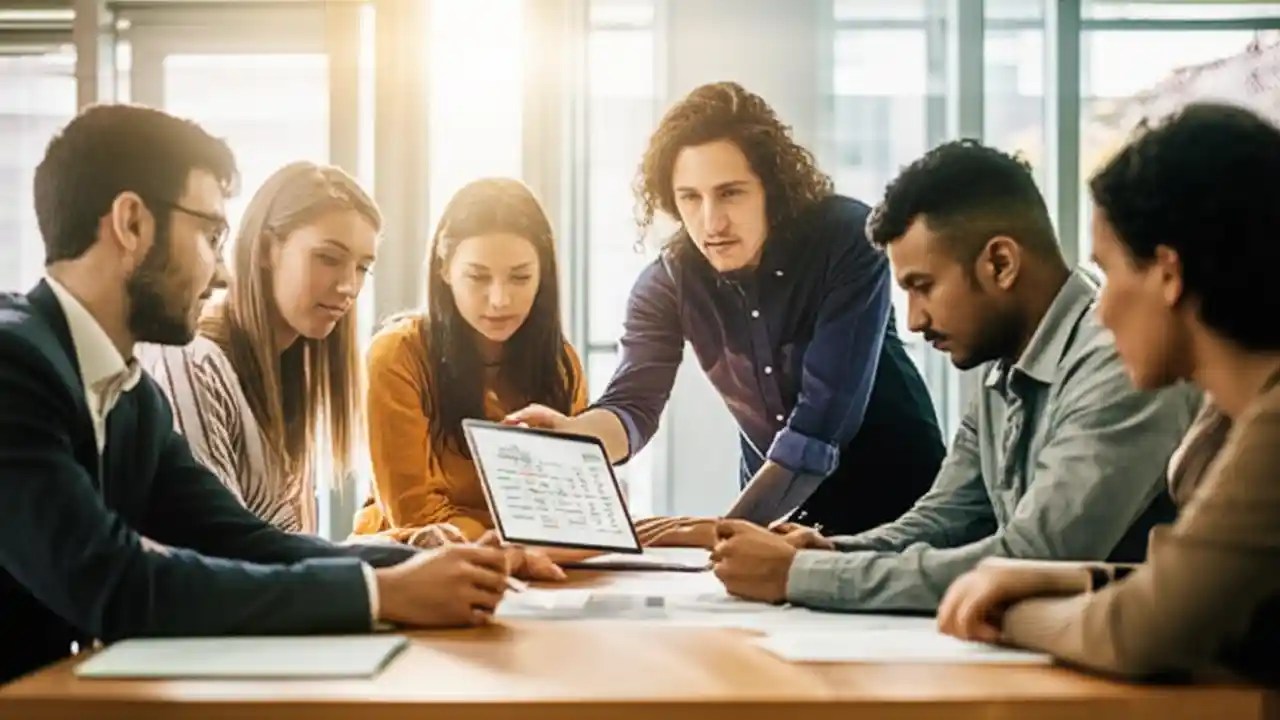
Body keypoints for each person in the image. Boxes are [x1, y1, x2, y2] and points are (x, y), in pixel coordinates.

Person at [0, 104, 512, 684]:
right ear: (132, 223)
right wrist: (379, 593)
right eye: (211, 233)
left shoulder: (130, 395)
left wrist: (452, 567)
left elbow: (243, 540)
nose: (221, 272)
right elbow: (114, 582)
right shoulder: (13, 367)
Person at [708, 139, 1198, 613]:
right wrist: (828, 553)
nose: (916, 320)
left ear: (1000, 264)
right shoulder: (1004, 371)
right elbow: (945, 517)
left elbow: (1035, 558)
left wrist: (798, 576)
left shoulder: (1116, 363)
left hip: (1142, 684)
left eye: (923, 287)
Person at [508, 81, 945, 542]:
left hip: (899, 506)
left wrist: (724, 532)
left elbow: (822, 424)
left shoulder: (847, 240)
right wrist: (577, 436)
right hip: (775, 516)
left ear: (770, 189)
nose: (711, 222)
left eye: (730, 193)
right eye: (690, 199)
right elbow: (633, 407)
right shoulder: (666, 282)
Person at [937, 103, 1280, 684]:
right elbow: (1220, 593)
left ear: (1169, 274)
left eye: (1111, 270)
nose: (1102, 306)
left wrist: (1010, 614)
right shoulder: (1229, 419)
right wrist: (1079, 580)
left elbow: (1143, 633)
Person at [139, 161, 379, 535]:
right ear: (268, 249)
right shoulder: (194, 362)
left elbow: (285, 557)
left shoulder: (292, 375)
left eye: (363, 267)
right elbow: (220, 550)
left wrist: (401, 551)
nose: (349, 286)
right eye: (329, 258)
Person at [350, 178, 586, 548]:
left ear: (543, 277)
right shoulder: (397, 355)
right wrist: (528, 537)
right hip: (415, 570)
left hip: (538, 567)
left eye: (521, 277)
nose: (499, 299)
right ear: (445, 270)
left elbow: (574, 515)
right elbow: (417, 518)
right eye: (477, 277)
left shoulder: (560, 365)